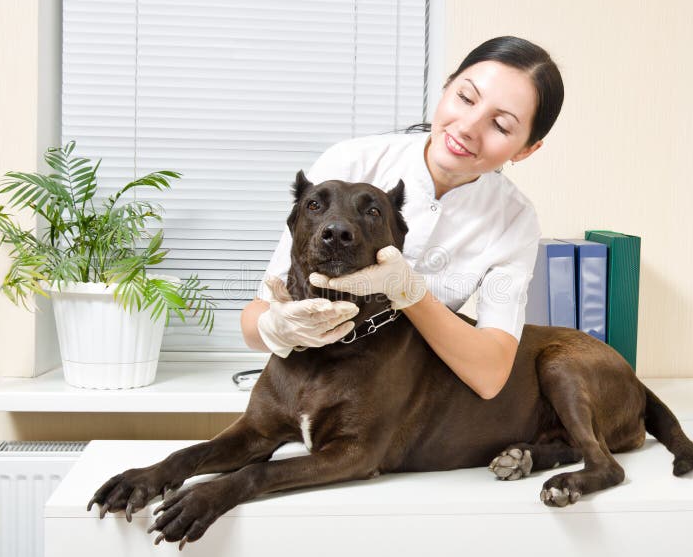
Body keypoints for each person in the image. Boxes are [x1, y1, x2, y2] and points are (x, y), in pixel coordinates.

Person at [241, 36, 564, 399]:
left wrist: (410, 292)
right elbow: (255, 320)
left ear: (527, 150)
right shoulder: (350, 163)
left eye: (501, 125)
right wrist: (276, 326)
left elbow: (489, 376)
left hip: (408, 397)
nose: (468, 127)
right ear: (447, 85)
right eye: (465, 98)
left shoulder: (513, 218)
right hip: (313, 387)